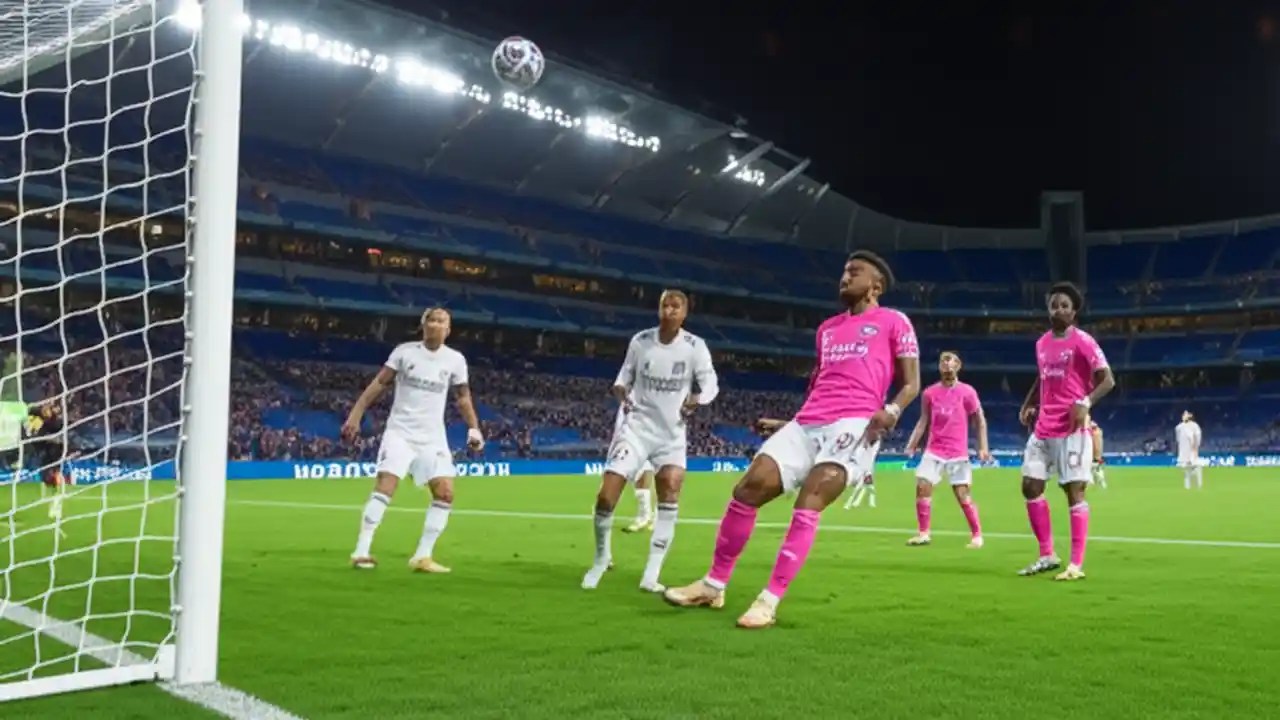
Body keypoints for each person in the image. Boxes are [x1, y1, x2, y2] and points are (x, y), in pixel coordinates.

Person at [664, 251, 919, 628]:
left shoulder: (894, 321)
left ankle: (768, 601)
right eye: (844, 272)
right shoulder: (827, 329)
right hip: (807, 422)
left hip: (856, 423)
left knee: (810, 498)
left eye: (854, 273)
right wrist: (788, 422)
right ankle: (713, 585)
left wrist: (893, 411)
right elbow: (821, 387)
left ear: (875, 285)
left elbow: (912, 382)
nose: (844, 278)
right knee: (748, 489)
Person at [582, 289, 719, 593]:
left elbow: (710, 382)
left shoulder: (695, 346)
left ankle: (651, 575)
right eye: (665, 305)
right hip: (636, 428)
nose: (669, 310)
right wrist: (621, 391)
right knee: (606, 496)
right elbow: (623, 376)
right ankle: (601, 558)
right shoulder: (641, 341)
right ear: (658, 309)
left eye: (676, 306)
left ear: (685, 313)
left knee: (669, 493)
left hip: (671, 434)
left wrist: (698, 398)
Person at [343, 308, 484, 572]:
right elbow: (378, 384)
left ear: (449, 329)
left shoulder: (455, 360)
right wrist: (356, 414)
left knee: (445, 493)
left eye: (442, 321)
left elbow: (463, 397)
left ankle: (423, 556)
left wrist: (474, 428)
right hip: (401, 432)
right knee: (386, 485)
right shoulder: (405, 352)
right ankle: (361, 551)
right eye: (431, 320)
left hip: (433, 437)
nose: (436, 324)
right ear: (423, 325)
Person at [1017, 282, 1115, 581]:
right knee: (1030, 486)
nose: (1058, 309)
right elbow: (1043, 377)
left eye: (1064, 305)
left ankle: (1075, 565)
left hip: (1071, 428)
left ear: (1074, 312)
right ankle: (1047, 554)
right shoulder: (1041, 343)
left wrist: (1085, 402)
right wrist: (1028, 403)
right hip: (1044, 426)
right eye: (1054, 304)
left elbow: (1107, 380)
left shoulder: (1083, 341)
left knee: (1073, 491)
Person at [902, 351, 990, 548]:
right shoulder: (929, 393)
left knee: (962, 494)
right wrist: (912, 443)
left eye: (951, 361)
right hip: (934, 450)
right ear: (939, 366)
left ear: (958, 366)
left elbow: (979, 419)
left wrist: (983, 447)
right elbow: (924, 420)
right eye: (944, 361)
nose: (947, 364)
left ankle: (977, 535)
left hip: (957, 451)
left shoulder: (967, 392)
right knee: (922, 485)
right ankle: (924, 533)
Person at [1175, 411, 1203, 489]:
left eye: (1186, 414)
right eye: (1183, 414)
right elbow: (1178, 439)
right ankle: (1188, 486)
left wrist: (1195, 448)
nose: (1184, 416)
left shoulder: (1194, 426)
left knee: (1195, 467)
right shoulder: (1179, 427)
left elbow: (1196, 438)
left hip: (1191, 451)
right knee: (1185, 470)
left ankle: (1198, 484)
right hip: (1183, 451)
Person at [1088, 416, 1107, 488]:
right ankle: (1099, 482)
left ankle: (1092, 482)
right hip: (1098, 456)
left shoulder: (1093, 434)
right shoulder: (1099, 432)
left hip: (1094, 456)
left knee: (1093, 470)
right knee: (1097, 470)